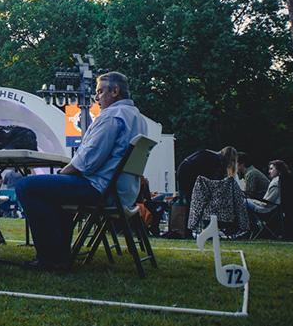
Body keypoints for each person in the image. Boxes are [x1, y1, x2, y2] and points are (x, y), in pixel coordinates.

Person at [15, 72, 148, 271]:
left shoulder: (112, 116)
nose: (96, 97)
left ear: (115, 91)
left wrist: (60, 175)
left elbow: (86, 162)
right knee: (51, 191)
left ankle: (50, 257)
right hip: (122, 192)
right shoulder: (137, 117)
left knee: (25, 186)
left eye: (100, 92)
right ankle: (59, 254)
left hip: (100, 189)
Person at [176, 145, 238, 210]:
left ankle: (183, 213)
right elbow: (214, 182)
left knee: (187, 198)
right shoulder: (218, 161)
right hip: (191, 171)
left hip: (182, 168)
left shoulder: (212, 156)